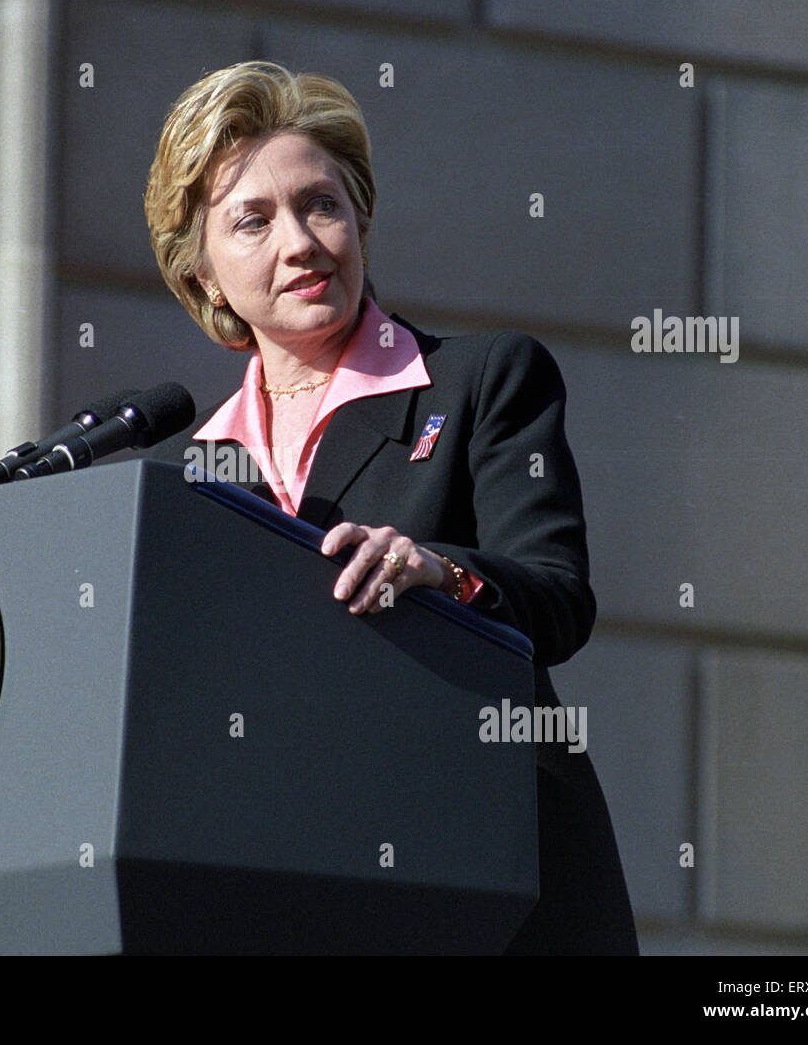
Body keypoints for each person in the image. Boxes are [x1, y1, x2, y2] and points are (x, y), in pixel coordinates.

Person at [144, 60, 638, 955]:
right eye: (252, 220)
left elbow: (560, 597)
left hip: (496, 876)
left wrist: (438, 573)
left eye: (320, 205)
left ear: (360, 217)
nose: (300, 241)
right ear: (204, 274)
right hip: (292, 892)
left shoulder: (483, 379)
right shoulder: (189, 470)